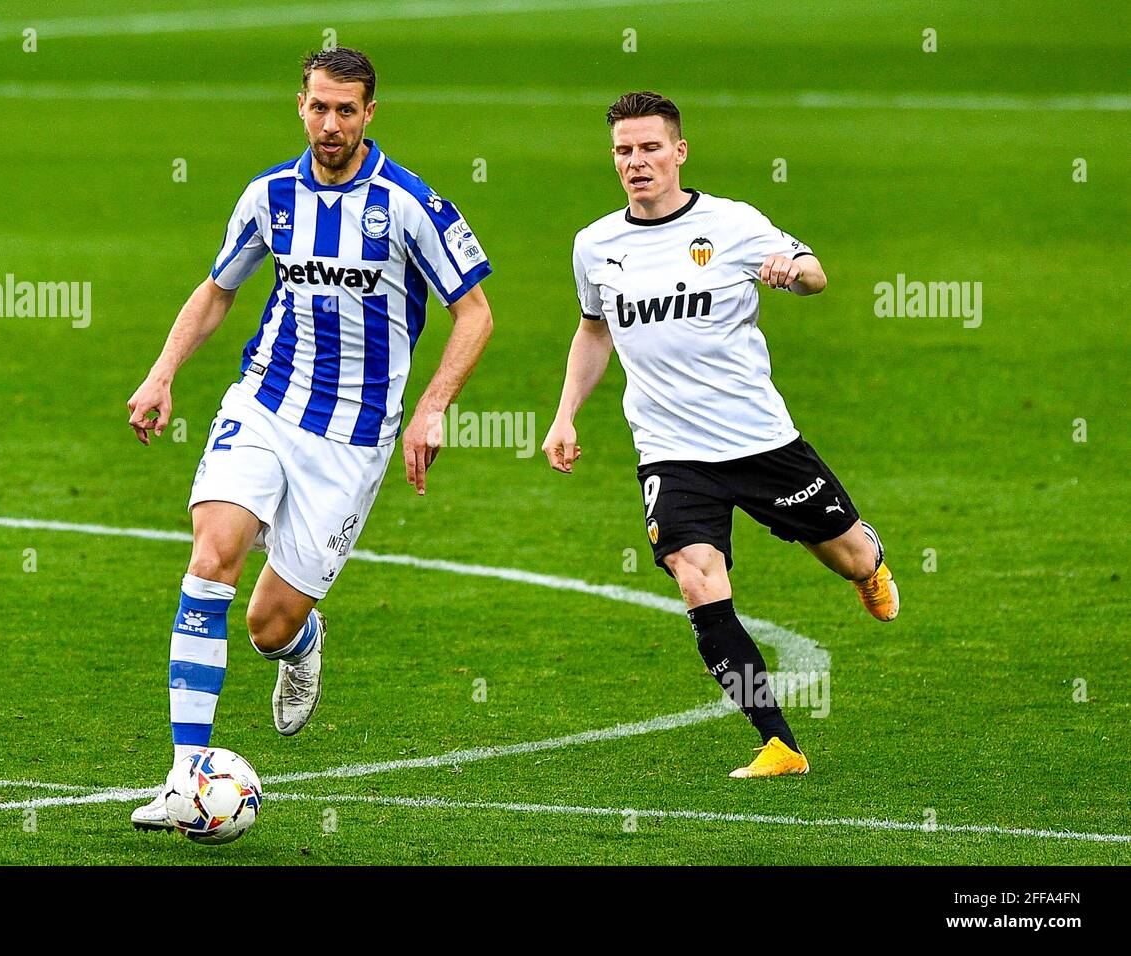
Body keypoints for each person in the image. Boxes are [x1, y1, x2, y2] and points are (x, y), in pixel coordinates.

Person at [126, 48, 494, 828]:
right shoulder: (269, 196)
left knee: (268, 624)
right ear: (301, 104)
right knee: (212, 555)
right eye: (319, 107)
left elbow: (477, 312)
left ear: (370, 113)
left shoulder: (410, 204)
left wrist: (433, 405)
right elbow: (218, 290)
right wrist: (162, 375)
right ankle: (185, 773)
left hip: (353, 438)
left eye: (347, 111)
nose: (331, 125)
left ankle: (300, 645)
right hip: (263, 402)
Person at [542, 91, 897, 779]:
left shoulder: (731, 224)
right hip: (671, 453)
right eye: (624, 151)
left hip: (760, 440)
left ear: (679, 151)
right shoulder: (595, 244)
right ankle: (779, 743)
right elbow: (594, 331)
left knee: (847, 556)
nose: (637, 162)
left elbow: (816, 273)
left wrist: (793, 276)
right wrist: (565, 414)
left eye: (650, 148)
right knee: (695, 575)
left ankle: (872, 560)